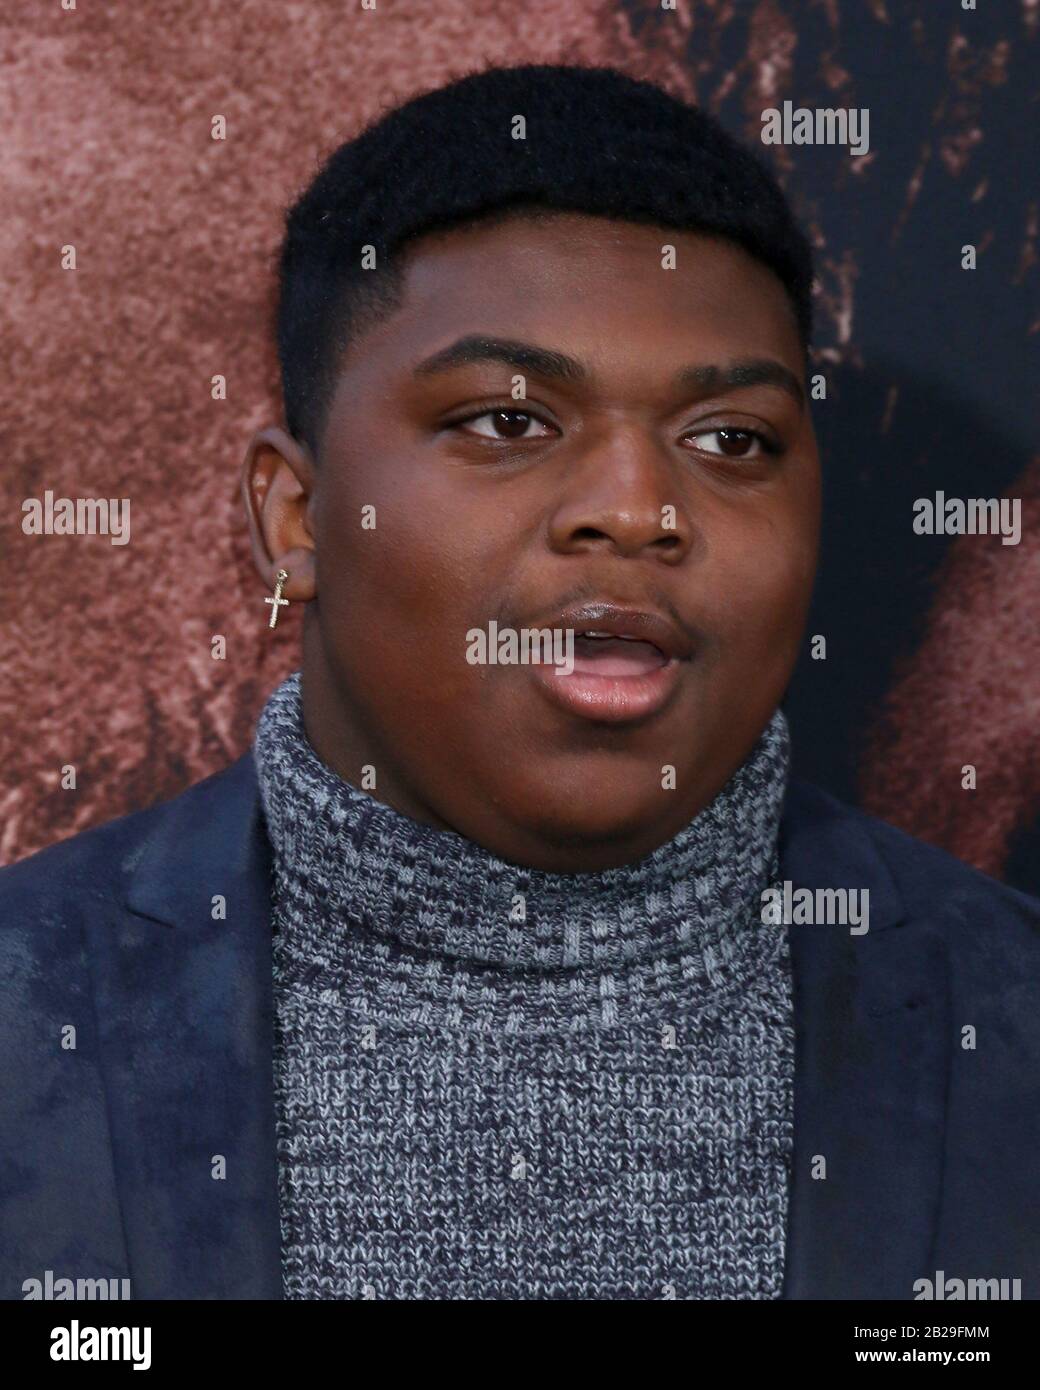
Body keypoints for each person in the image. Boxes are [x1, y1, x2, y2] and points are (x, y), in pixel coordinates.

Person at [2, 63, 1037, 1302]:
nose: (634, 509)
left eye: (729, 440)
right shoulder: (27, 999)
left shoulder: (1008, 1011)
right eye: (505, 420)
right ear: (297, 517)